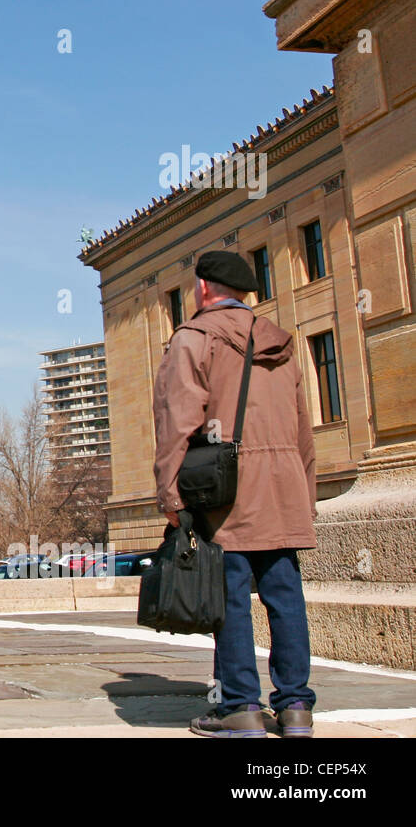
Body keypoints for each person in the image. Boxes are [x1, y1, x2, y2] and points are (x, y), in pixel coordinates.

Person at [153, 250, 317, 738]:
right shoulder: (281, 343)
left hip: (226, 494)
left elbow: (176, 422)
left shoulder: (193, 339)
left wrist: (169, 494)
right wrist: (303, 495)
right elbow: (303, 427)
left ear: (203, 288)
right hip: (284, 489)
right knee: (286, 598)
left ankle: (240, 707)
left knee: (230, 602)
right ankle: (295, 710)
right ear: (245, 293)